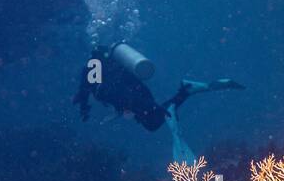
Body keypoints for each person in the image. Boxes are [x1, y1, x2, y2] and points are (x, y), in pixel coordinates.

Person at [74, 43, 244, 160]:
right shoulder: (112, 64)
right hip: (137, 93)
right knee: (153, 123)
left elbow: (94, 87)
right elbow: (110, 85)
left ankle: (184, 92)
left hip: (131, 98)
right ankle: (185, 92)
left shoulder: (94, 64)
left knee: (154, 122)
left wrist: (84, 104)